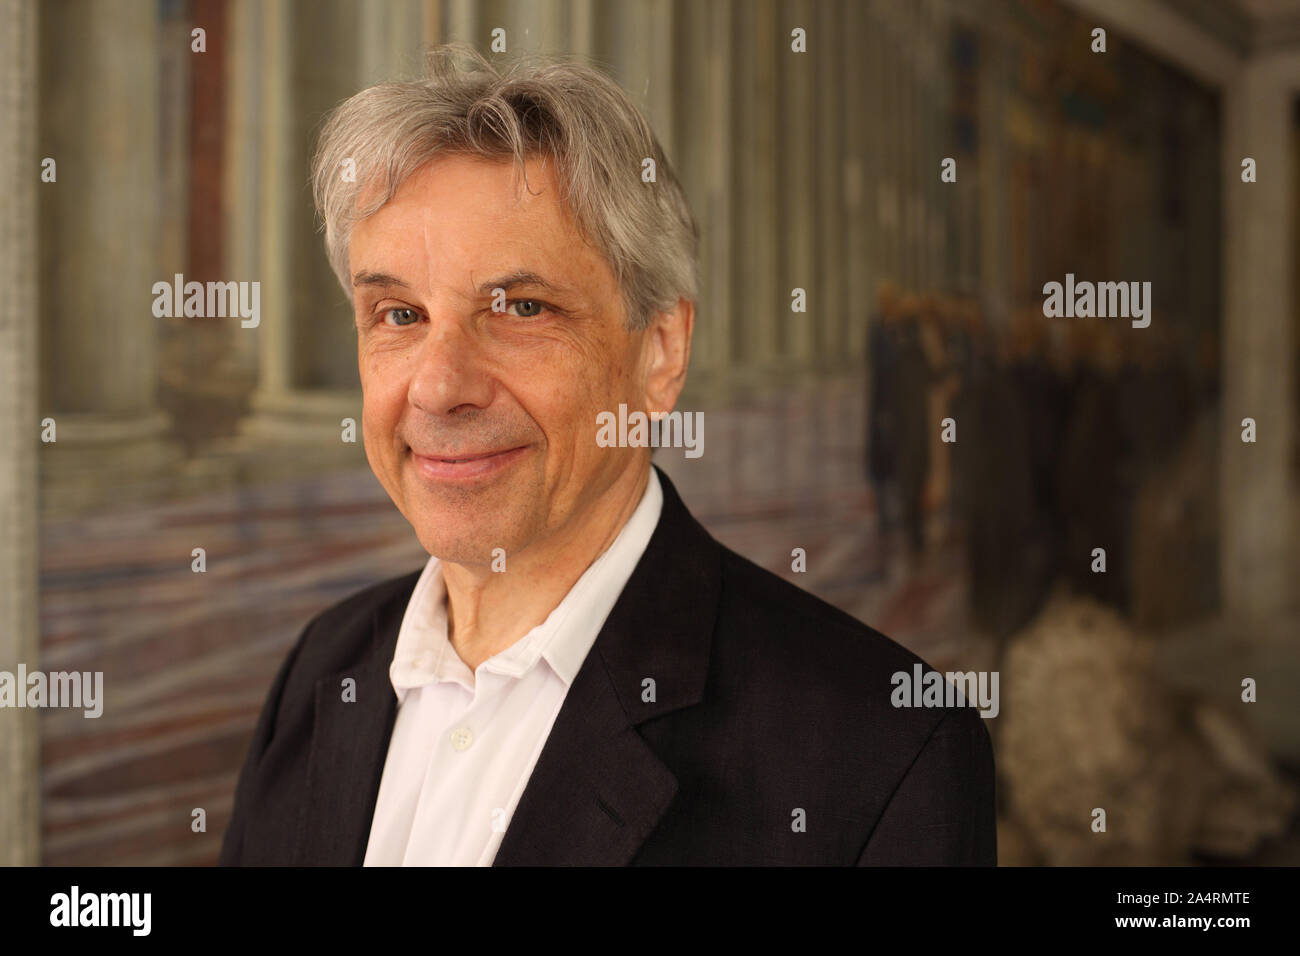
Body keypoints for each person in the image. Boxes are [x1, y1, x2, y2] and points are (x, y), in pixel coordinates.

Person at [219, 44, 996, 867]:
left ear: (659, 354)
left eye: (521, 308)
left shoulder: (883, 754)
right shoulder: (320, 671)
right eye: (399, 315)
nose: (440, 388)